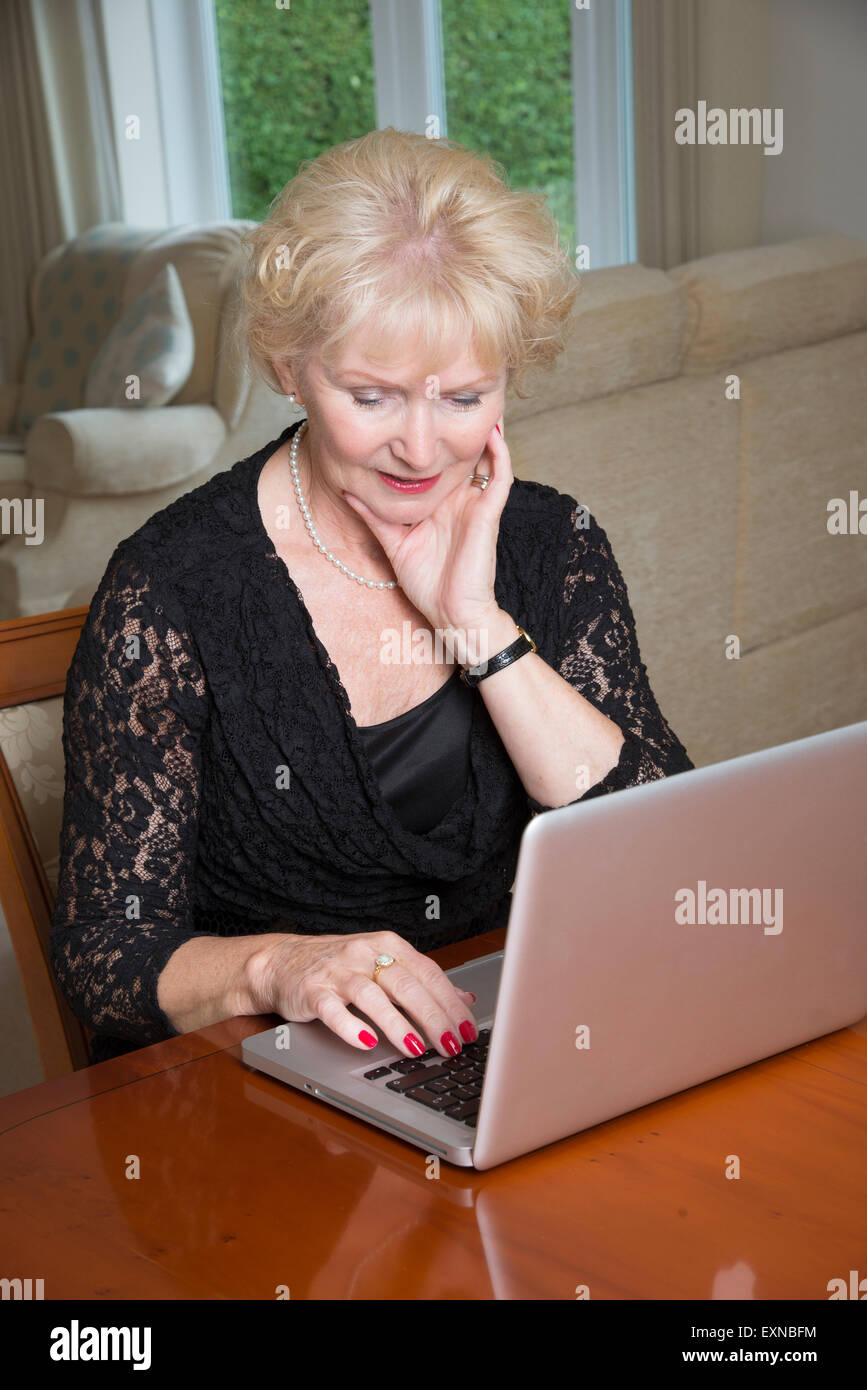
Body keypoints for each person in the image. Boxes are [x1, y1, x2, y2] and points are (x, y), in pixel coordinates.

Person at [50, 127, 693, 1067]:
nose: (422, 450)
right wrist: (279, 968)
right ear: (288, 367)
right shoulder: (173, 591)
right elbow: (103, 955)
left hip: (496, 1038)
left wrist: (476, 623)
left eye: (465, 399)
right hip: (259, 1081)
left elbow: (660, 849)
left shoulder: (553, 543)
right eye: (373, 396)